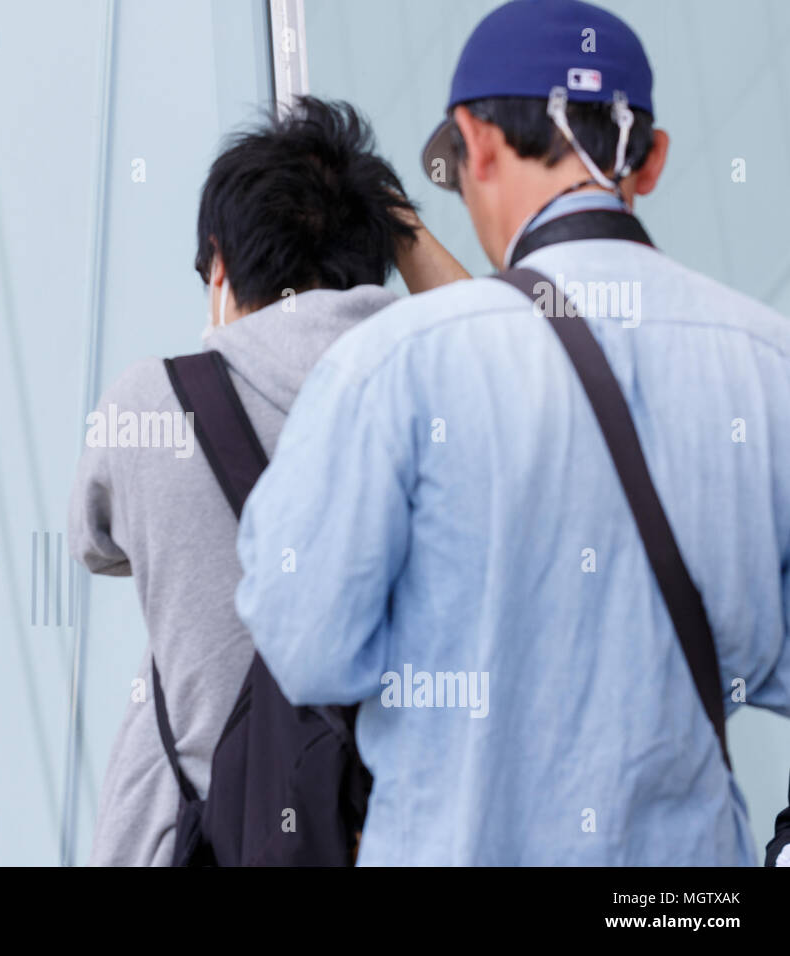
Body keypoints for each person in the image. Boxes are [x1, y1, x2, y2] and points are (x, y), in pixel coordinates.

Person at [235, 0, 790, 865]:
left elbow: (307, 647)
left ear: (475, 143)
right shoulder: (768, 364)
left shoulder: (395, 366)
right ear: (651, 164)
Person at [68, 96, 467, 865]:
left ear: (220, 262)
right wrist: (397, 222)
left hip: (201, 841)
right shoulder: (446, 393)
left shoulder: (152, 401)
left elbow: (95, 542)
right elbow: (527, 362)